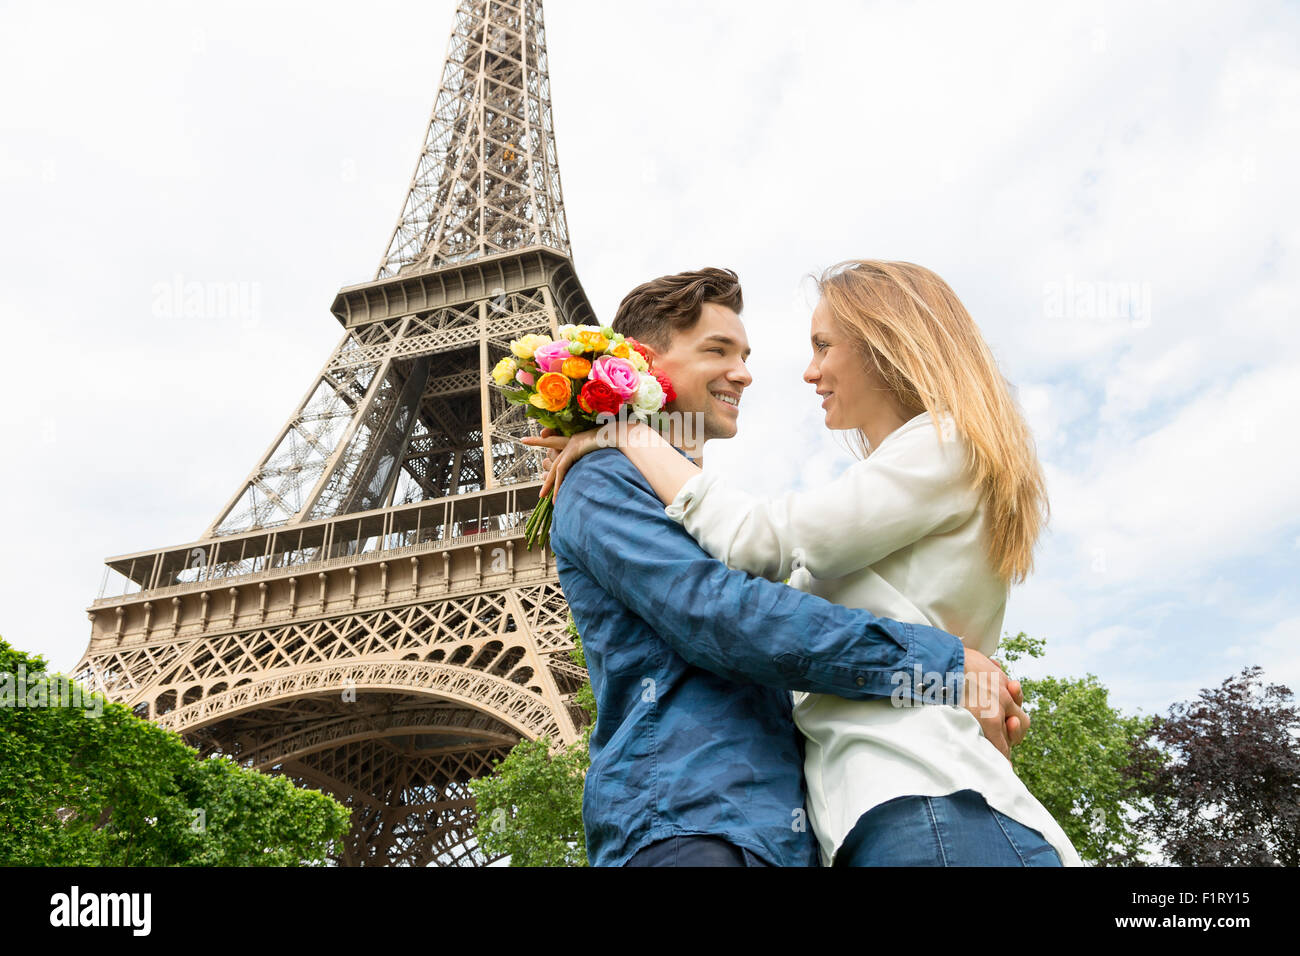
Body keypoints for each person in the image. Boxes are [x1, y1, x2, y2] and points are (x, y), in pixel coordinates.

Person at [536, 260, 1084, 867]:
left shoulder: (938, 449)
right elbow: (730, 615)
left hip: (896, 808)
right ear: (640, 361)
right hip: (709, 827)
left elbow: (761, 566)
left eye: (823, 346)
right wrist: (949, 665)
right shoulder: (603, 479)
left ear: (888, 346)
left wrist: (628, 434)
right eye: (719, 349)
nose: (753, 374)